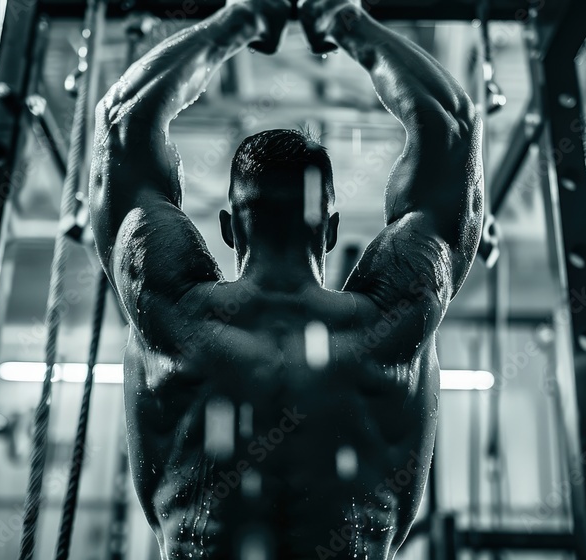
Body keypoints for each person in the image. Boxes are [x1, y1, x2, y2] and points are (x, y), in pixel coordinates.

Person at [89, 0, 483, 557]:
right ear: (330, 230)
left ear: (229, 228)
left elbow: (121, 118)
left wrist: (238, 22)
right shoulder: (390, 326)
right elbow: (453, 124)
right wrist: (348, 24)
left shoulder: (174, 315)